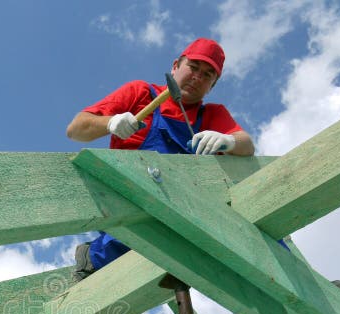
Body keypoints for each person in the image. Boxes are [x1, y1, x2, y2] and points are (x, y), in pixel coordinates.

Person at [66, 38, 254, 282]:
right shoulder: (141, 93)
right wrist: (110, 123)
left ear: (212, 87)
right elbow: (76, 129)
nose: (198, 77)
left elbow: (247, 145)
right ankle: (93, 257)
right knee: (123, 255)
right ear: (175, 65)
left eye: (208, 75)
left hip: (181, 214)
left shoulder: (212, 115)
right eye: (194, 67)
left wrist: (228, 141)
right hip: (128, 207)